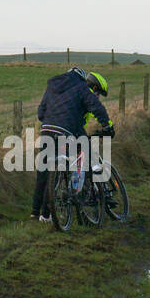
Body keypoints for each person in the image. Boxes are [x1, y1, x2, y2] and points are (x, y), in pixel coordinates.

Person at [31, 66, 113, 221]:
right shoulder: (81, 87)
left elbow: (41, 113)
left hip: (47, 129)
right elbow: (97, 107)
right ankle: (51, 211)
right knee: (78, 157)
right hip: (67, 130)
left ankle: (35, 212)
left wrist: (51, 120)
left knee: (44, 172)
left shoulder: (52, 86)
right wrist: (108, 125)